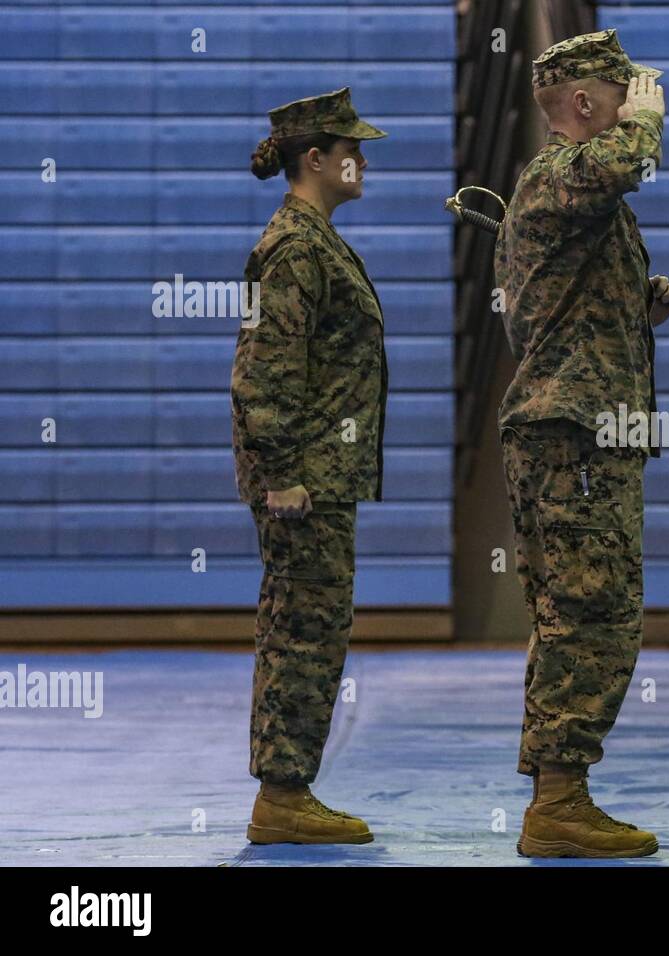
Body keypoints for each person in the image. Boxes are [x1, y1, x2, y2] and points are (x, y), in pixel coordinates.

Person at [494, 29, 669, 858]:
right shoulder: (560, 175)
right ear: (585, 103)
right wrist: (646, 126)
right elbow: (618, 165)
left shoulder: (575, 197)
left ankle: (557, 791)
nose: (634, 105)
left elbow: (554, 314)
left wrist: (634, 306)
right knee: (592, 615)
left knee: (572, 613)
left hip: (581, 430)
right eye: (621, 94)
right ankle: (560, 800)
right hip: (572, 437)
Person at [233, 87, 389, 845]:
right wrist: (282, 472)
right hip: (304, 481)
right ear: (316, 159)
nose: (362, 160)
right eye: (350, 149)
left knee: (312, 629)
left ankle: (287, 791)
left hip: (322, 475)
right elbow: (265, 372)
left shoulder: (313, 238)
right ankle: (283, 796)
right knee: (302, 630)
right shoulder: (295, 246)